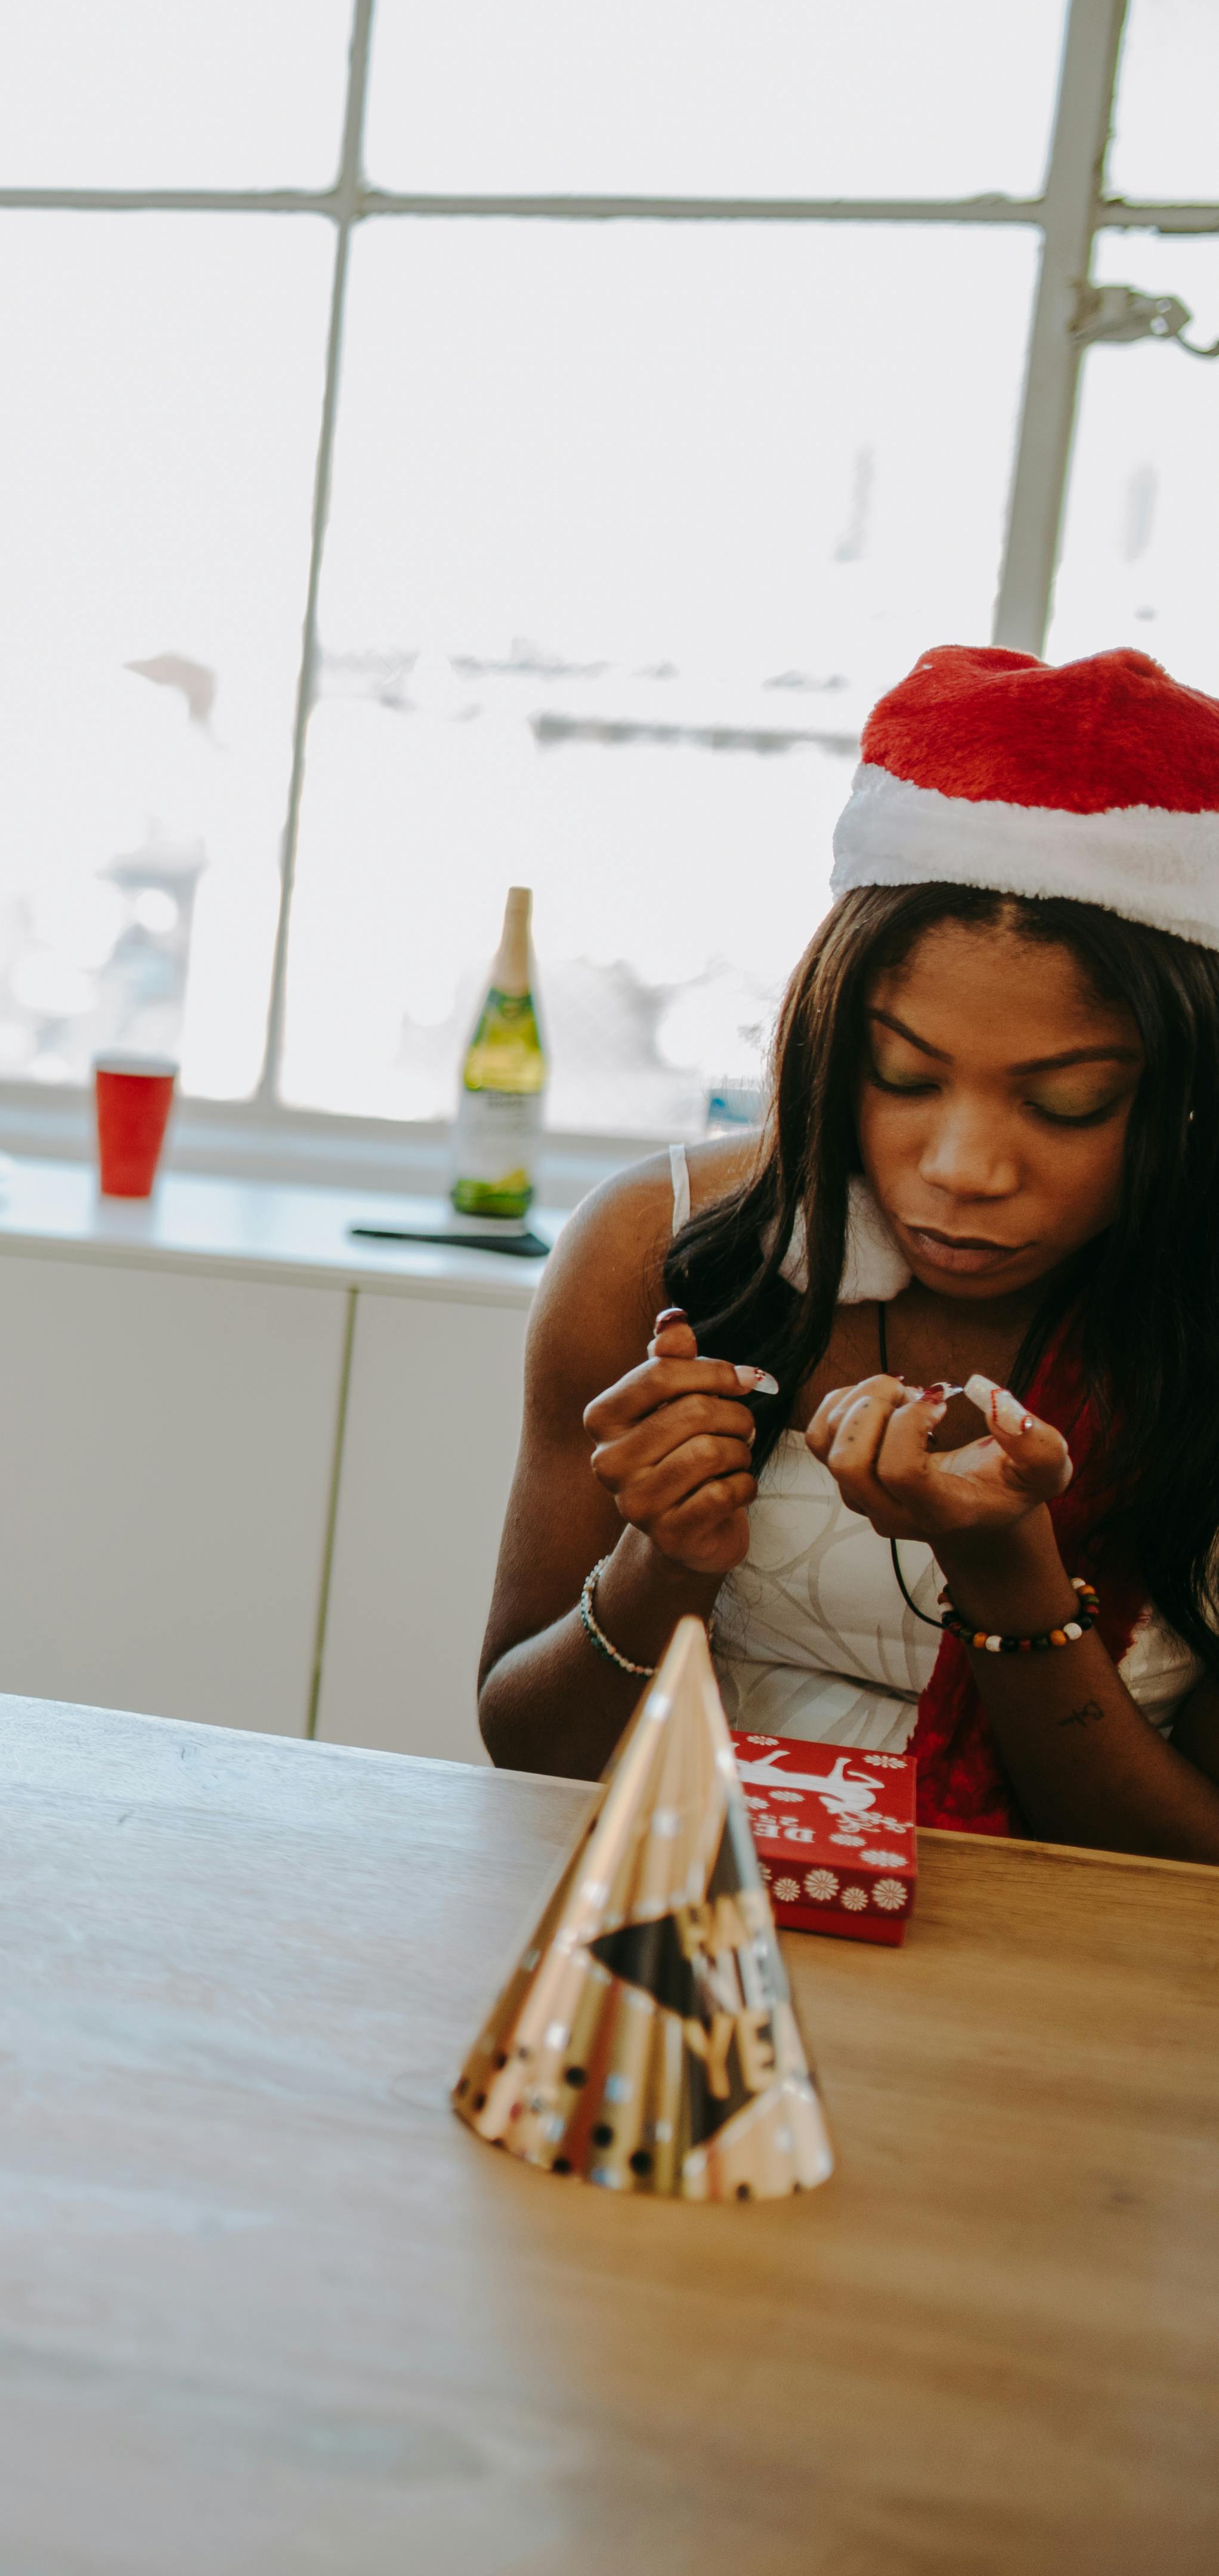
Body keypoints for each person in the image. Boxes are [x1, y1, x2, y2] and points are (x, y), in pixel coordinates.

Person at [480, 644, 1219, 1861]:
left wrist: (1009, 1584)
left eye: (1067, 1103)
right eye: (901, 1075)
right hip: (691, 1931)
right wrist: (661, 1564)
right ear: (829, 1047)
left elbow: (1193, 1874)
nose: (962, 1165)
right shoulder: (660, 1251)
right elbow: (525, 1749)